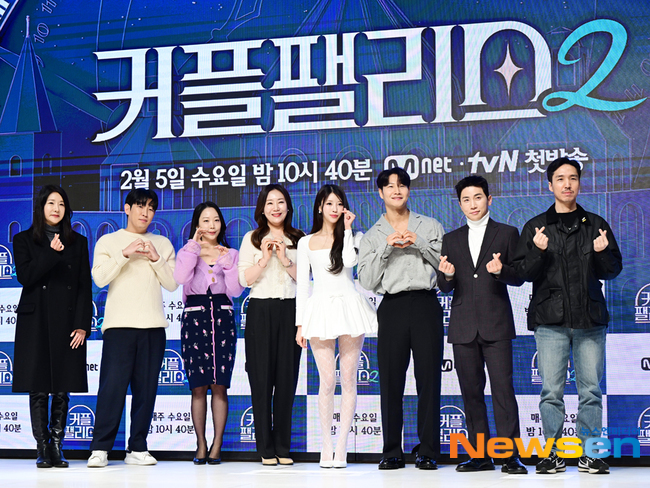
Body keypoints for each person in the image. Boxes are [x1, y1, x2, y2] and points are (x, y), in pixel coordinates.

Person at [513, 157, 622, 475]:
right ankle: (552, 454)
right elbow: (522, 273)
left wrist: (602, 252)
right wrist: (537, 251)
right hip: (551, 322)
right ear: (550, 185)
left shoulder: (596, 224)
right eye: (560, 178)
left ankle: (591, 454)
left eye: (572, 178)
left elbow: (613, 270)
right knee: (551, 392)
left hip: (590, 320)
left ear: (579, 183)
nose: (567, 184)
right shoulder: (536, 226)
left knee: (591, 391)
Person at [437, 176, 527, 475]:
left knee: (503, 390)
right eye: (466, 199)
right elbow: (444, 286)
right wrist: (447, 275)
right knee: (471, 393)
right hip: (463, 326)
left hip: (497, 324)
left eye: (478, 197)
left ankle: (510, 456)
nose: (472, 204)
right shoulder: (451, 238)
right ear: (459, 204)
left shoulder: (507, 233)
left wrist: (502, 271)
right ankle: (479, 455)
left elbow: (519, 276)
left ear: (489, 199)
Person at [358, 167, 444, 470]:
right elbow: (367, 280)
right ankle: (392, 450)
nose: (396, 190)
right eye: (390, 186)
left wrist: (419, 243)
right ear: (380, 193)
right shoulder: (372, 235)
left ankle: (428, 450)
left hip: (426, 304)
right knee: (391, 381)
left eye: (402, 185)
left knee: (429, 380)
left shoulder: (430, 225)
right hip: (392, 307)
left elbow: (446, 266)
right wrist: (386, 247)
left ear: (409, 190)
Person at [87, 188, 177, 468]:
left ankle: (137, 447)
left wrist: (155, 258)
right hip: (119, 327)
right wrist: (124, 254)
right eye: (140, 206)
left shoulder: (162, 243)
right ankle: (100, 448)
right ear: (127, 209)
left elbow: (172, 283)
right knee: (111, 389)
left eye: (151, 208)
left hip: (153, 327)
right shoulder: (109, 241)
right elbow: (99, 278)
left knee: (146, 391)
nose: (145, 212)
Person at [295, 185, 378, 468]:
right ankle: (326, 445)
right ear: (319, 207)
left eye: (339, 204)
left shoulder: (353, 236)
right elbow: (302, 286)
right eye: (329, 203)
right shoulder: (305, 242)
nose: (334, 208)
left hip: (349, 308)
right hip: (319, 310)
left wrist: (348, 230)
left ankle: (342, 446)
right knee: (327, 381)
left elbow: (350, 262)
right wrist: (300, 324)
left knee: (349, 380)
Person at [13, 185, 92, 468]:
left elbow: (84, 286)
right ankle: (42, 446)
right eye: (51, 203)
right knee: (37, 386)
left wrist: (82, 325)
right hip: (35, 321)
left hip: (67, 322)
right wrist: (50, 252)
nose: (56, 208)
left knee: (62, 386)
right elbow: (26, 277)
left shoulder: (78, 242)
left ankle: (57, 445)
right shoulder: (23, 240)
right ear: (41, 207)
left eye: (61, 204)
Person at [237, 184, 304, 466]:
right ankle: (265, 448)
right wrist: (265, 259)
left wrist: (285, 259)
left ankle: (282, 447)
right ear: (262, 209)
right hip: (260, 310)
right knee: (261, 380)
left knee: (287, 381)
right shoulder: (251, 238)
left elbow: (306, 279)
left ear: (288, 207)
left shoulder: (300, 239)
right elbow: (244, 280)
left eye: (281, 202)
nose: (276, 207)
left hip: (290, 310)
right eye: (270, 203)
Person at [174, 202, 244, 465]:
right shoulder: (187, 251)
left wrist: (227, 264)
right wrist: (193, 248)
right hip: (195, 319)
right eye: (205, 220)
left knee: (220, 386)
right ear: (197, 225)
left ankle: (217, 444)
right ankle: (201, 443)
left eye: (216, 220)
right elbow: (180, 278)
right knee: (198, 387)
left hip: (222, 320)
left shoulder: (231, 253)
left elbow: (236, 290)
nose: (212, 225)